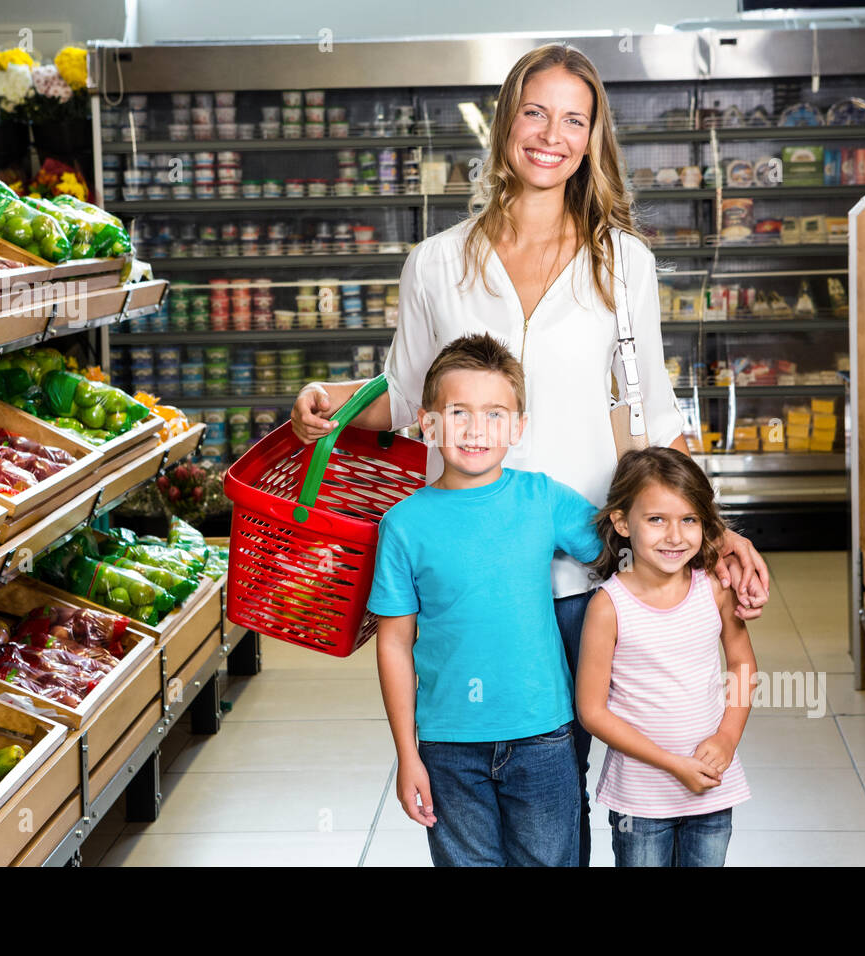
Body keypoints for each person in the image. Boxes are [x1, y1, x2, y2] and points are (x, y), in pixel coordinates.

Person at [291, 42, 770, 865]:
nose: (552, 134)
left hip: (595, 571)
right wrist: (331, 404)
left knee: (573, 786)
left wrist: (719, 532)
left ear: (594, 137)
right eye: (535, 112)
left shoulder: (627, 264)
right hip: (481, 583)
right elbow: (406, 399)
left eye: (574, 118)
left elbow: (655, 410)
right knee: (486, 774)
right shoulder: (436, 263)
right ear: (509, 120)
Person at [368, 332, 602, 866]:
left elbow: (622, 545)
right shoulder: (403, 525)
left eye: (496, 414)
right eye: (458, 412)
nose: (477, 430)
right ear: (427, 424)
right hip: (447, 745)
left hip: (542, 734)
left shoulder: (542, 498)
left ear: (519, 427)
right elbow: (394, 645)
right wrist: (408, 754)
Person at [576, 447, 755, 867]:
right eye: (657, 519)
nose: (675, 536)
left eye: (689, 520)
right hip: (640, 801)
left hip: (712, 788)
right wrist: (674, 765)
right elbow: (592, 711)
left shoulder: (714, 588)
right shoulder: (608, 607)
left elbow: (743, 665)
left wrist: (727, 737)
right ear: (622, 521)